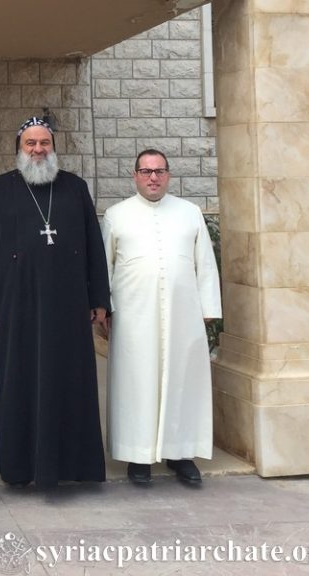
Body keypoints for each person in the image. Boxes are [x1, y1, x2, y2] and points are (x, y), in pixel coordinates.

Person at [0, 117, 110, 488]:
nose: (38, 150)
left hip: (69, 305)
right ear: (18, 148)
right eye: (30, 144)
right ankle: (22, 468)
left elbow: (94, 246)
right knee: (19, 380)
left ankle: (74, 466)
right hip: (15, 305)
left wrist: (99, 297)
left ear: (54, 146)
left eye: (44, 143)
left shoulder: (75, 187)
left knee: (71, 381)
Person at [102, 149, 222, 485]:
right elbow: (104, 267)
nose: (153, 177)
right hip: (133, 316)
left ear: (168, 175)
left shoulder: (190, 213)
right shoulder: (116, 215)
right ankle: (137, 457)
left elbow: (205, 264)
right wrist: (104, 308)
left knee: (182, 382)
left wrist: (209, 309)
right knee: (136, 383)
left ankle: (180, 454)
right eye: (145, 171)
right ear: (135, 175)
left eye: (159, 171)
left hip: (184, 315)